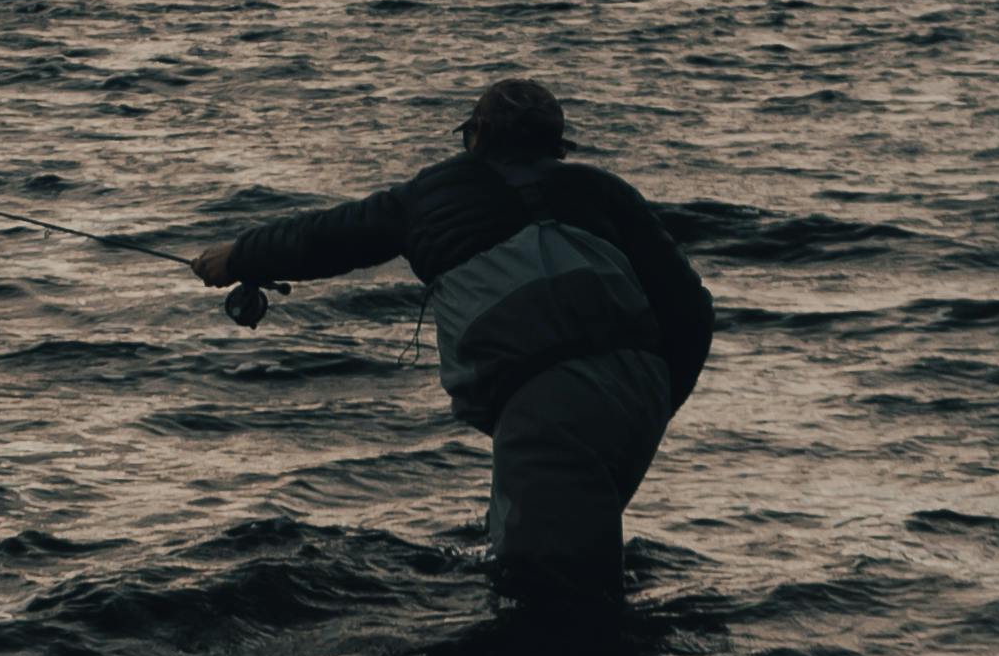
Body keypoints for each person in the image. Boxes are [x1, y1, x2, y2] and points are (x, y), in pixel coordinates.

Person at [189, 77, 714, 617]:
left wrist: (240, 257)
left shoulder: (436, 191)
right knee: (583, 572)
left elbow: (327, 237)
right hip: (642, 393)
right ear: (556, 147)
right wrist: (647, 404)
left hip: (548, 402)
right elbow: (692, 310)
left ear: (477, 135)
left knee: (545, 597)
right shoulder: (607, 193)